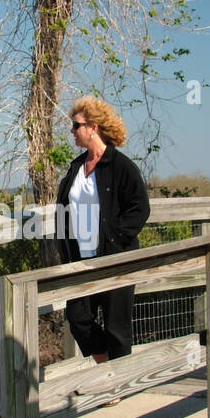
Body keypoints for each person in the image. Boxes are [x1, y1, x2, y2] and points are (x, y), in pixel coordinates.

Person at [54, 96, 150, 363]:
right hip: (81, 261)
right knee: (77, 317)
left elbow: (139, 208)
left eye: (76, 125)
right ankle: (106, 368)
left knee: (117, 326)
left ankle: (115, 385)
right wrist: (63, 247)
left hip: (116, 258)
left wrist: (115, 239)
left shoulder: (121, 166)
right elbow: (63, 210)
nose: (72, 130)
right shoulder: (76, 167)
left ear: (93, 127)